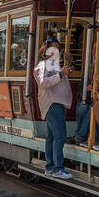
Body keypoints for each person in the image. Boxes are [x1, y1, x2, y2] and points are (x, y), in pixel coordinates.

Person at [34, 38, 73, 180]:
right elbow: (43, 82)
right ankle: (58, 168)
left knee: (51, 137)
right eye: (53, 49)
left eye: (58, 49)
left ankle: (50, 167)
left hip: (57, 103)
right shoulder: (43, 65)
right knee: (59, 136)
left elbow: (61, 75)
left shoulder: (54, 65)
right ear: (47, 51)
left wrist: (69, 63)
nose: (57, 51)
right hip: (53, 104)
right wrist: (61, 74)